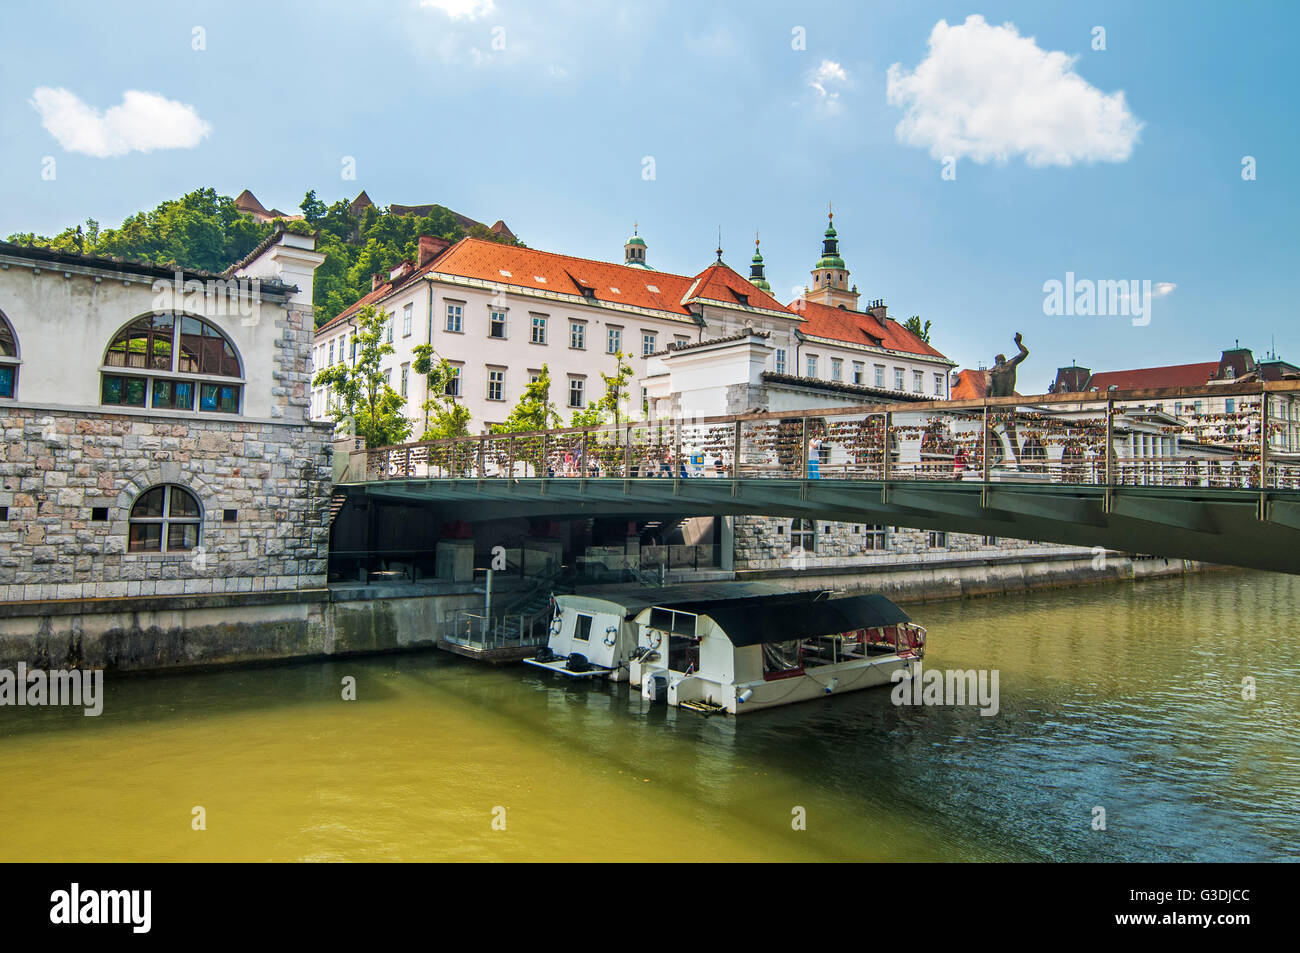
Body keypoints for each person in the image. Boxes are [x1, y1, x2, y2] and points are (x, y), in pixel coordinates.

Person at [989, 332, 1028, 398]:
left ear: (996, 361)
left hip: (996, 402)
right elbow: (1024, 352)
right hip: (1007, 400)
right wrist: (1018, 343)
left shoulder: (993, 371)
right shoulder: (1011, 364)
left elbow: (988, 389)